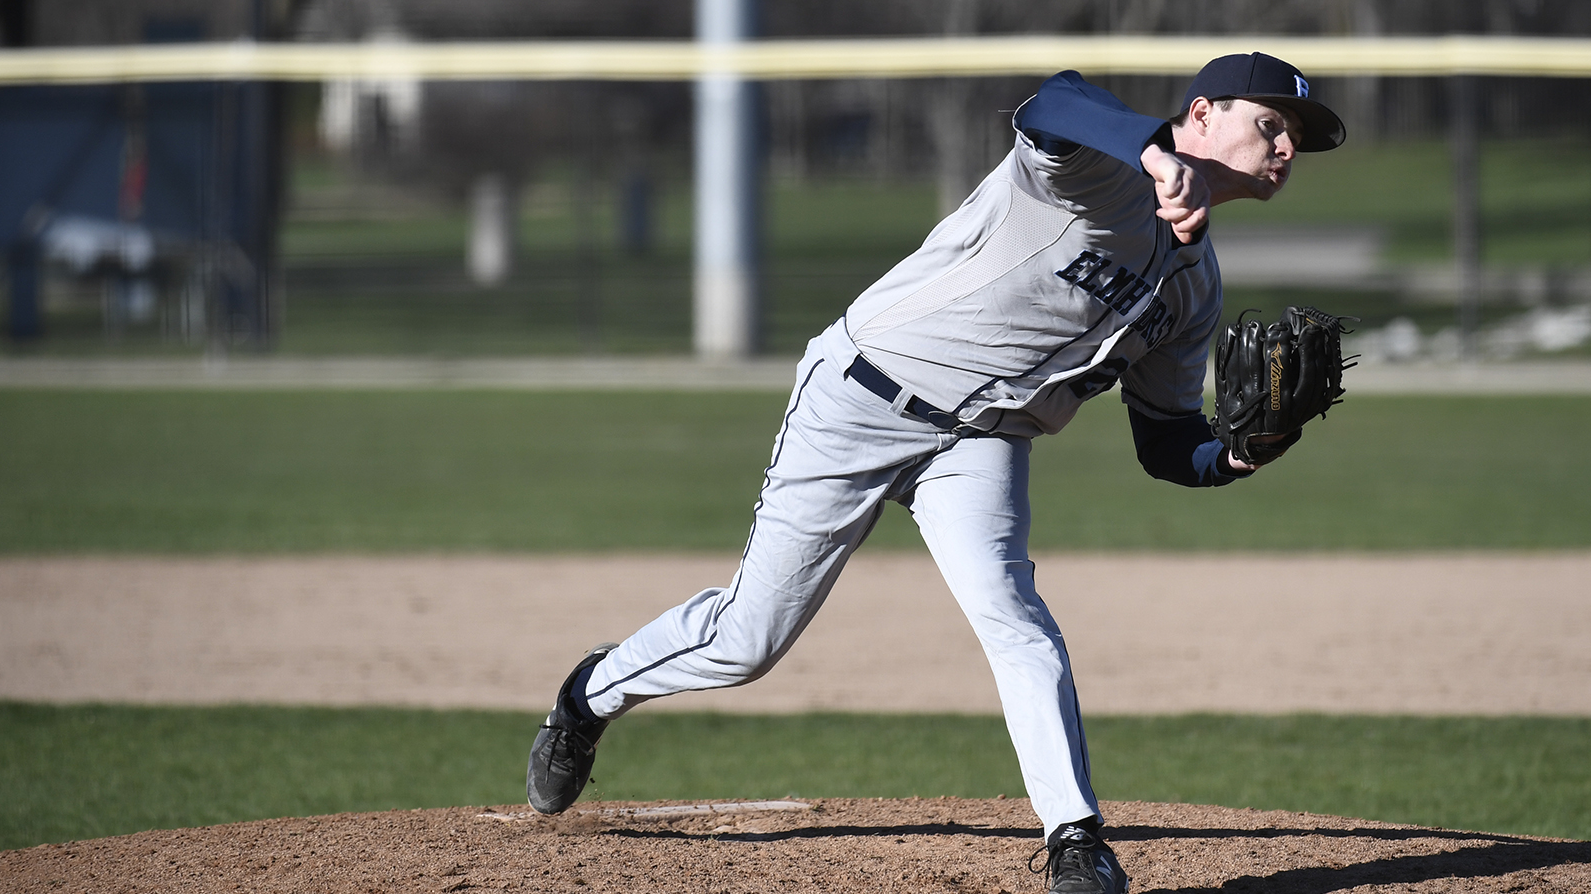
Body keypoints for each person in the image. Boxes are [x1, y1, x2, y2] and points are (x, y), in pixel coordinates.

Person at [527, 52, 1346, 894]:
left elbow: (1167, 440)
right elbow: (1054, 101)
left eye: (1298, 141)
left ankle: (1075, 840)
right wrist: (1151, 150)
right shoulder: (1099, 173)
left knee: (1015, 618)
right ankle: (587, 697)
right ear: (1202, 113)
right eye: (1271, 123)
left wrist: (1243, 453)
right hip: (862, 396)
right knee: (748, 642)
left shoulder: (1196, 290)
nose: (1286, 149)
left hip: (981, 440)